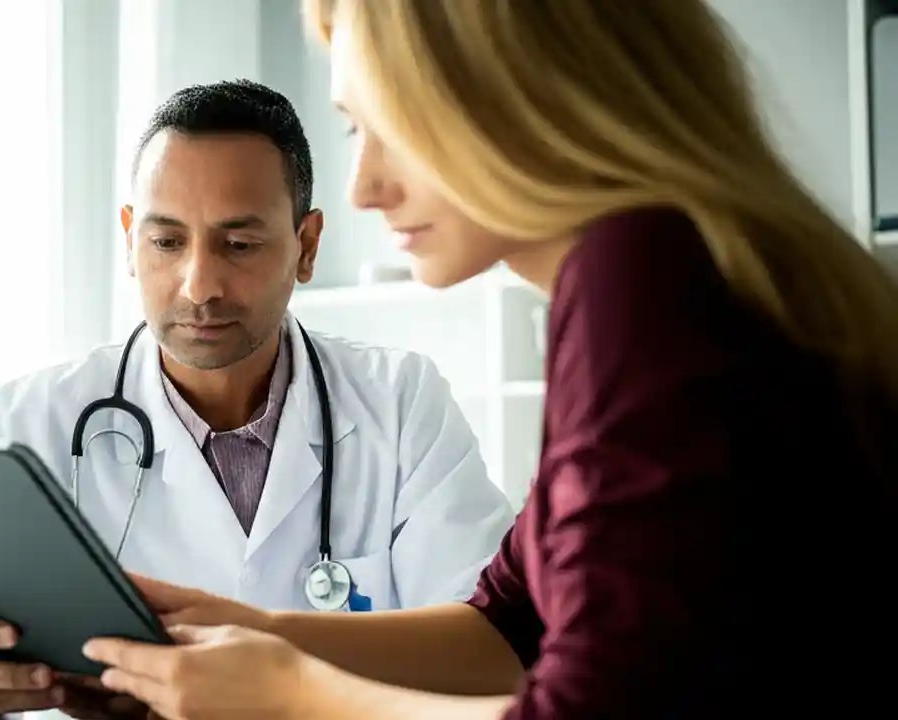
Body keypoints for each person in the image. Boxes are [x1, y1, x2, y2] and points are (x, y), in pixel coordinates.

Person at [78, 2, 898, 718]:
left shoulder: (643, 277)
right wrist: (260, 632)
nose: (364, 186)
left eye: (391, 124)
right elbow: (507, 628)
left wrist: (291, 694)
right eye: (355, 128)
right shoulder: (669, 260)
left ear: (519, 97)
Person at [0, 79, 515, 718]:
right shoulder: (30, 420)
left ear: (306, 246)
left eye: (238, 243)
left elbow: (489, 644)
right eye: (165, 241)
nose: (198, 286)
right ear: (130, 240)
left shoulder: (400, 401)